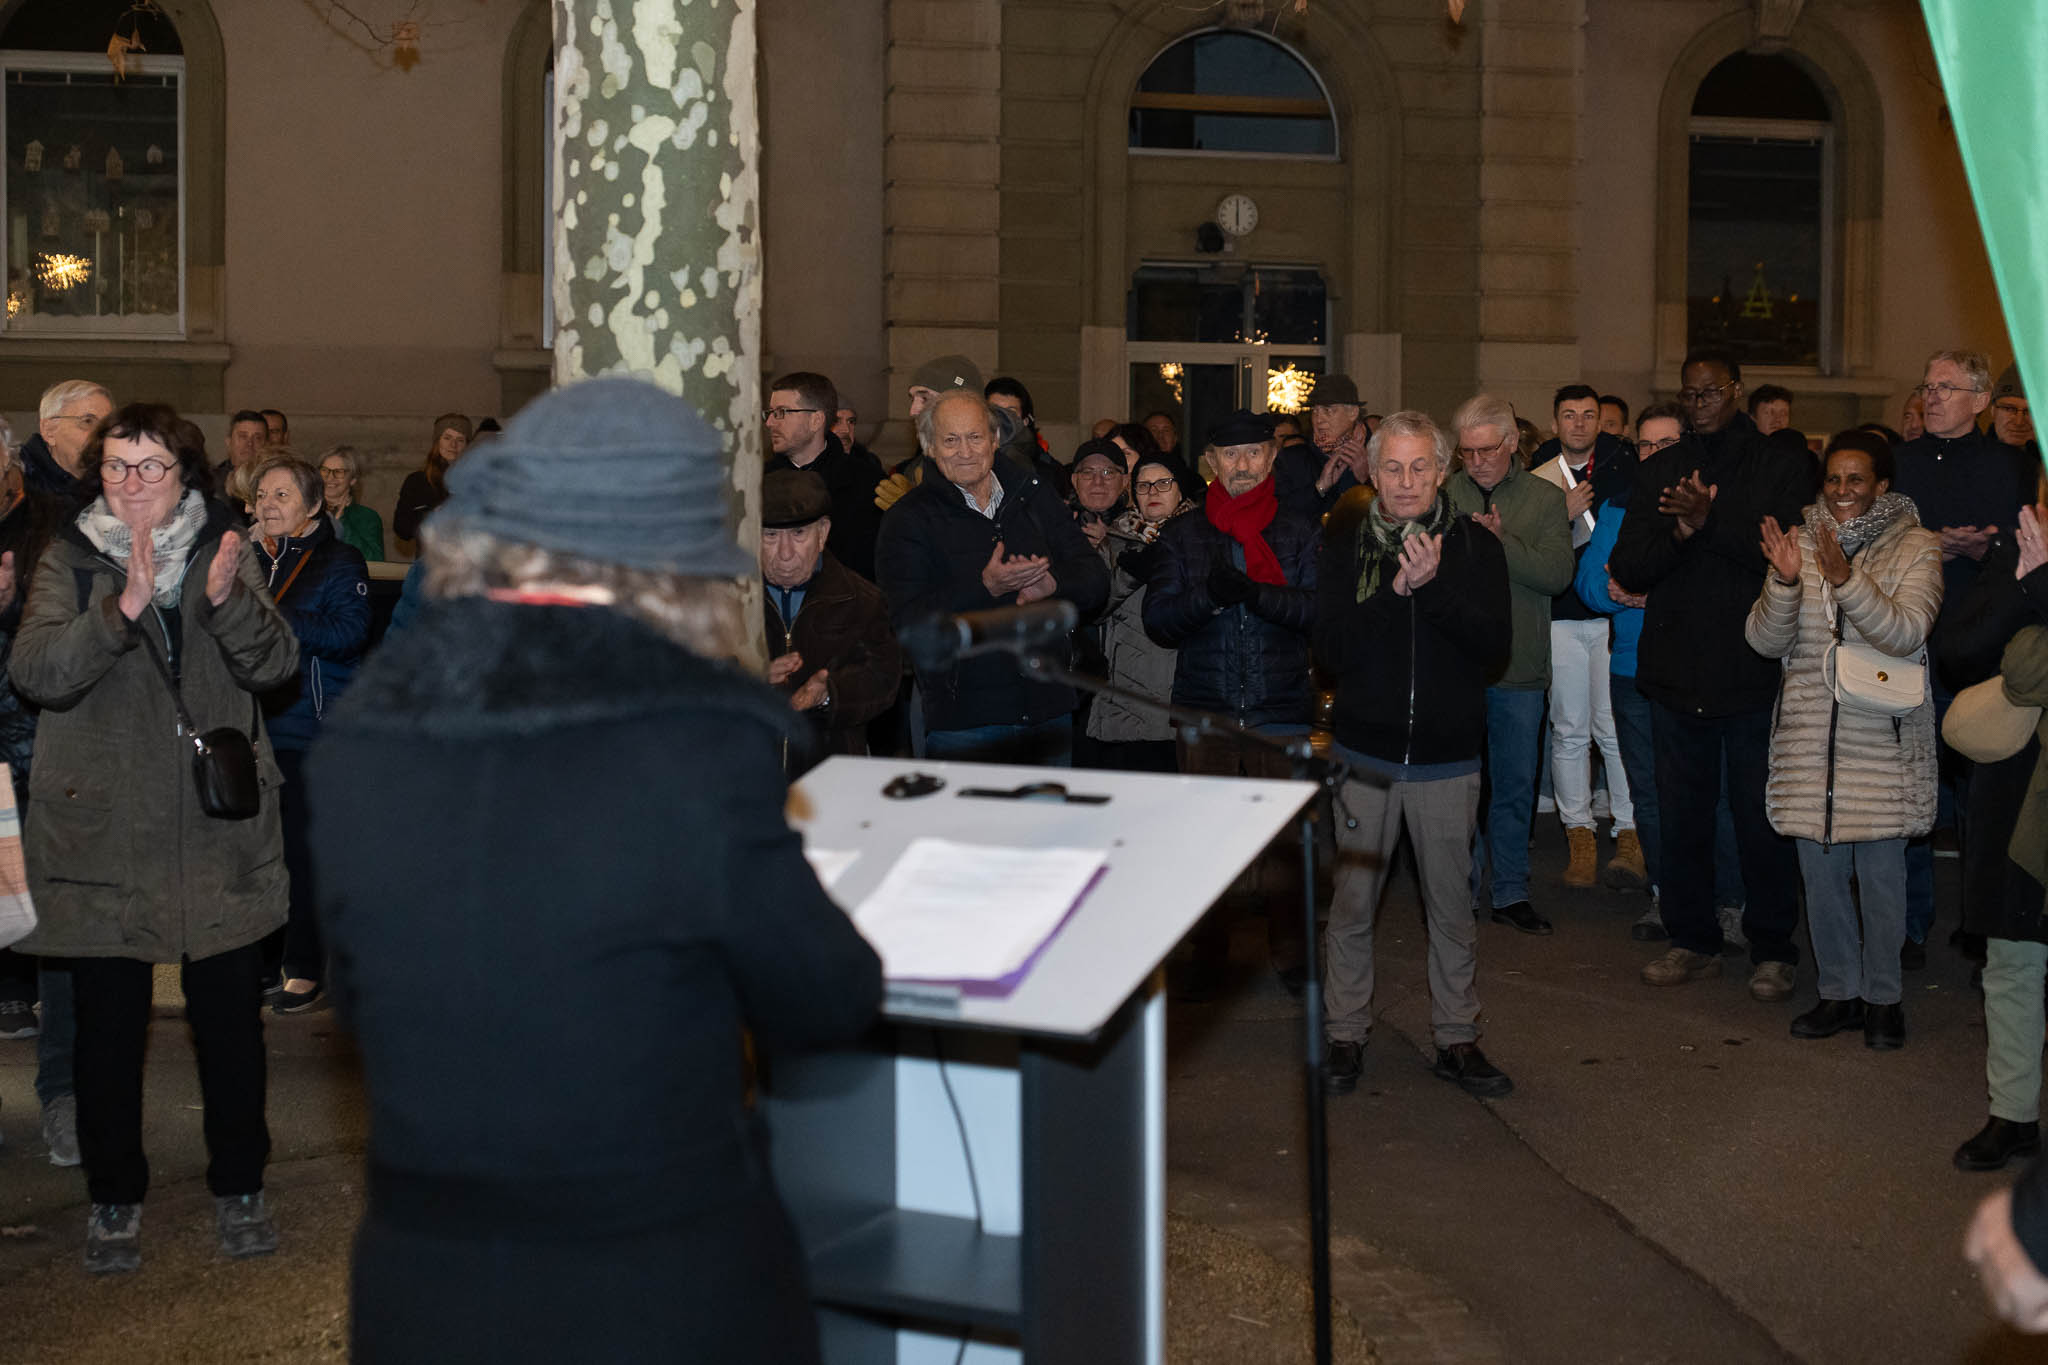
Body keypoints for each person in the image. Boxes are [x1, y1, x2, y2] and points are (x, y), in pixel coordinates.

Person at [308, 376, 882, 1364]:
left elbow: (364, 999)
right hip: (653, 1276)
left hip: (426, 1281)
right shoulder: (691, 745)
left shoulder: (365, 740)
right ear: (670, 569)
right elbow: (824, 995)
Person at [11, 402, 299, 1274]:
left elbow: (276, 664)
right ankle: (114, 1199)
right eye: (115, 466)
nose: (131, 482)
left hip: (216, 830)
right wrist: (121, 609)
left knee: (230, 1025)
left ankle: (241, 1187)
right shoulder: (67, 557)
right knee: (107, 1031)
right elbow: (35, 672)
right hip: (104, 828)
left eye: (150, 466)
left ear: (184, 475)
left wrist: (226, 603)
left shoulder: (223, 548)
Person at [1317, 410, 1514, 1098]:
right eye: (1393, 468)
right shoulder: (1345, 545)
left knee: (1451, 908)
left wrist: (1433, 590)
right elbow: (1331, 652)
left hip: (1447, 758)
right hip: (1363, 756)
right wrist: (1394, 591)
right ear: (1373, 473)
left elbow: (1494, 648)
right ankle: (1344, 1033)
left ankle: (1457, 1037)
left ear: (1442, 471)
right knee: (1352, 905)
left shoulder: (1476, 548)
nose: (1406, 481)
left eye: (1420, 467)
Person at [1610, 347, 1813, 1000]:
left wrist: (1707, 520)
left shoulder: (1779, 462)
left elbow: (1779, 551)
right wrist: (1679, 534)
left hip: (1753, 668)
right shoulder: (1662, 468)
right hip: (1676, 670)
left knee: (1760, 818)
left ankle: (1773, 947)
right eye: (1690, 394)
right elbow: (1630, 566)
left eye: (1711, 393)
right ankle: (1692, 939)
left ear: (1737, 389)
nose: (1699, 405)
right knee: (1682, 818)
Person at [1747, 432, 1942, 1048]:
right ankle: (1838, 993)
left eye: (1856, 479)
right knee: (1823, 879)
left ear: (1882, 485)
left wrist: (1847, 580)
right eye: (1832, 479)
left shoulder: (1916, 545)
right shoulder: (1799, 542)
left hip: (1882, 739)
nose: (1841, 491)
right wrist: (1785, 584)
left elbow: (1907, 632)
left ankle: (1883, 999)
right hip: (1809, 739)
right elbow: (1764, 642)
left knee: (1882, 882)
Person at [1143, 410, 1319, 995]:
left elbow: (1320, 612)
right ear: (1211, 463)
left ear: (1271, 458)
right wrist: (1210, 598)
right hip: (1206, 708)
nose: (1242, 465)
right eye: (1230, 455)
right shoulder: (1184, 534)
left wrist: (1260, 597)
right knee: (1204, 844)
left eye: (1253, 453)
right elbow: (1159, 622)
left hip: (1280, 706)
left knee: (1287, 845)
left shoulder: (1299, 529)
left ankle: (1293, 954)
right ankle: (1208, 955)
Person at [1894, 349, 2039, 963]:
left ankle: (1983, 928)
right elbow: (1875, 546)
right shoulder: (1899, 463)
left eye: (1946, 387)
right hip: (1909, 643)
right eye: (1928, 385)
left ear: (1979, 401)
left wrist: (1985, 552)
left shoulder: (2011, 468)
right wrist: (1930, 545)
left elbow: (2028, 557)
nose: (1932, 396)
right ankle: (1909, 925)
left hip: (1983, 646)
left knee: (1983, 798)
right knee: (1909, 794)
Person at [874, 390, 1108, 765]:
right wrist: (985, 586)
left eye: (975, 437)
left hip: (1049, 715)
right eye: (951, 440)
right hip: (966, 724)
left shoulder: (1034, 498)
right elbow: (907, 626)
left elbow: (1096, 579)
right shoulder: (907, 520)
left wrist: (1053, 585)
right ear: (929, 447)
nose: (965, 451)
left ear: (994, 439)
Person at [1939, 496, 2048, 1171]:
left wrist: (2041, 590)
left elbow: (2025, 668)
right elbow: (1957, 650)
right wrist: (2024, 586)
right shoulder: (2017, 554)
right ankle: (2013, 1114)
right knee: (2012, 958)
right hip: (2015, 792)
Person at [1448, 394, 1574, 936]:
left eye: (1487, 450)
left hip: (1518, 666)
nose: (1476, 462)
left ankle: (1511, 892)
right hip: (1454, 666)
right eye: (1467, 451)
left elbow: (1557, 575)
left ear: (1513, 442)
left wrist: (1500, 543)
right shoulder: (1444, 494)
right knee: (1458, 788)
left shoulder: (1545, 498)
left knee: (1515, 785)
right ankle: (1459, 889)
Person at [250, 455, 370, 1014]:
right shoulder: (248, 559)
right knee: (256, 853)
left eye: (282, 495)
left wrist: (273, 613)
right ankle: (262, 962)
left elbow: (349, 633)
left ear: (314, 505)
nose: (268, 504)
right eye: (262, 494)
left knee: (300, 853)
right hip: (250, 729)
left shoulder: (339, 560)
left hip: (308, 727)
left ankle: (303, 966)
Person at [1578, 402, 1685, 941]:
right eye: (1646, 444)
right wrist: (1631, 594)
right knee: (1648, 792)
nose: (1654, 454)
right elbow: (1591, 586)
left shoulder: (1704, 508)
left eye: (1667, 444)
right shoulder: (1619, 506)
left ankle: (1720, 900)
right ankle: (1666, 897)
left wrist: (1648, 594)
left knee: (1698, 792)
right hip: (1631, 671)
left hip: (1692, 673)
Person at [1532, 384, 1643, 891]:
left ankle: (1629, 832)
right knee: (1568, 729)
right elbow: (1524, 539)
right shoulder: (1537, 472)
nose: (1578, 423)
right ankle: (1579, 833)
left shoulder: (1624, 466)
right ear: (1555, 422)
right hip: (1559, 615)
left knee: (1613, 728)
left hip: (1610, 615)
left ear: (1600, 421)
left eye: (1588, 415)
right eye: (1569, 415)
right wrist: (1563, 513)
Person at [760, 469, 903, 767]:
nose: (785, 553)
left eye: (798, 534)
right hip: (749, 771)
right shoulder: (729, 602)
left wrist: (830, 693)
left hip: (830, 770)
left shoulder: (860, 600)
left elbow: (884, 680)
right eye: (771, 536)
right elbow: (690, 677)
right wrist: (751, 675)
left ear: (822, 533)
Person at [1085, 452, 1193, 773]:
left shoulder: (1201, 539)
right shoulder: (1116, 541)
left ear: (1180, 490)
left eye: (1163, 483)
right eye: (1143, 486)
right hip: (1128, 699)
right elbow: (1092, 607)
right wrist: (1129, 575)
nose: (1153, 492)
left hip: (1186, 694)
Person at [763, 371, 885, 581]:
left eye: (781, 412)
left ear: (816, 420)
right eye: (770, 413)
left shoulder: (868, 484)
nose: (770, 423)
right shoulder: (759, 483)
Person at [874, 354, 984, 513]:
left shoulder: (999, 468)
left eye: (925, 398)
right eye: (912, 399)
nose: (913, 411)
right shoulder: (913, 469)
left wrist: (915, 509)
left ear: (960, 403)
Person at [1276, 373, 1369, 515]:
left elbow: (1392, 519)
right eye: (1315, 411)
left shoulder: (1375, 457)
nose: (1318, 419)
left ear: (1352, 413)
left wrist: (1366, 480)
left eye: (1327, 410)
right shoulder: (1291, 460)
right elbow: (1284, 517)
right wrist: (1319, 488)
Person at [21, 379, 112, 506]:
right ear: (49, 430)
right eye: (88, 421)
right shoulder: (16, 486)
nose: (101, 434)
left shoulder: (119, 484)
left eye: (107, 426)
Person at [392, 413, 473, 545]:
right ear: (437, 442)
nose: (453, 445)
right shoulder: (417, 482)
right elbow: (402, 530)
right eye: (447, 438)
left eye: (460, 440)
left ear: (467, 445)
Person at [987, 376, 1073, 501]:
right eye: (995, 411)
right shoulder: (969, 461)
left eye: (1011, 412)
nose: (1002, 419)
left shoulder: (1048, 471)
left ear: (1025, 421)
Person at [317, 445, 386, 562]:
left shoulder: (367, 517)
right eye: (325, 470)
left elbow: (374, 560)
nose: (330, 477)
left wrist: (341, 520)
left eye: (339, 472)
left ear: (353, 480)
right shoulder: (305, 511)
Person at [218, 410, 270, 509]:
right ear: (229, 442)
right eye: (243, 436)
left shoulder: (275, 481)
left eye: (257, 438)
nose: (249, 443)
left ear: (267, 445)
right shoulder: (211, 482)